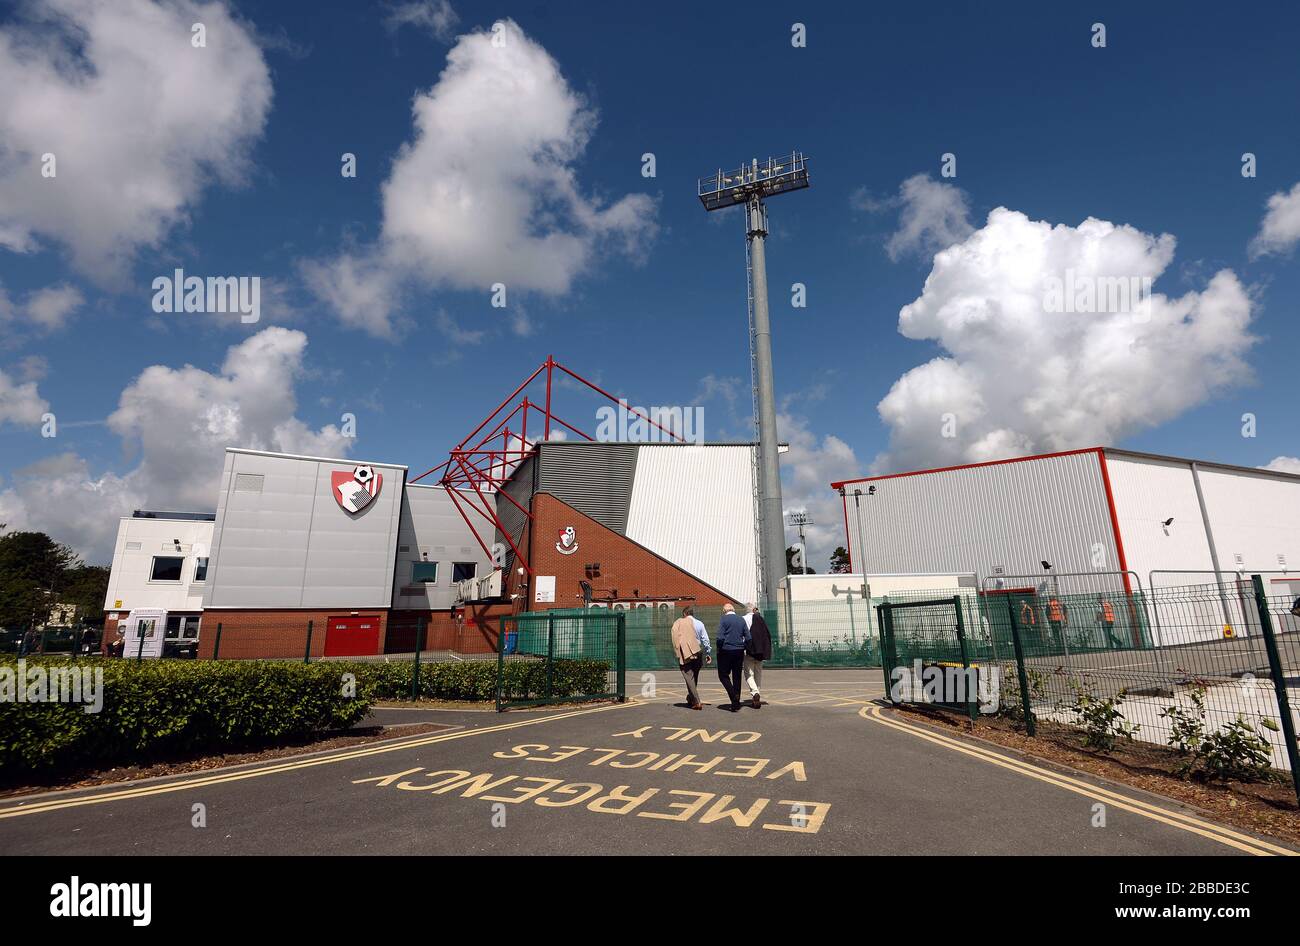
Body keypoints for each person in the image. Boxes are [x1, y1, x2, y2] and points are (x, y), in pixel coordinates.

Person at [670, 606, 711, 710]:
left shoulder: (681, 622)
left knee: (689, 677)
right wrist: (708, 653)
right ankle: (691, 697)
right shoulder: (699, 623)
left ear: (684, 614)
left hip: (686, 653)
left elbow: (676, 637)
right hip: (698, 651)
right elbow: (705, 639)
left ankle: (697, 701)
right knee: (694, 677)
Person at [714, 603, 750, 712]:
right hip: (739, 651)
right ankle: (736, 702)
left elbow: (720, 637)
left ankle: (733, 695)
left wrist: (719, 649)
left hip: (726, 650)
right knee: (737, 676)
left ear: (724, 611)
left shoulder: (723, 620)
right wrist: (744, 647)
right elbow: (748, 637)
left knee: (723, 675)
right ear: (733, 610)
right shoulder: (741, 620)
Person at [743, 603, 772, 709]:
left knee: (748, 673)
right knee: (758, 673)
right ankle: (757, 693)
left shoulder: (744, 619)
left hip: (749, 650)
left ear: (746, 610)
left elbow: (743, 634)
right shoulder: (760, 618)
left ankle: (755, 692)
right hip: (760, 650)